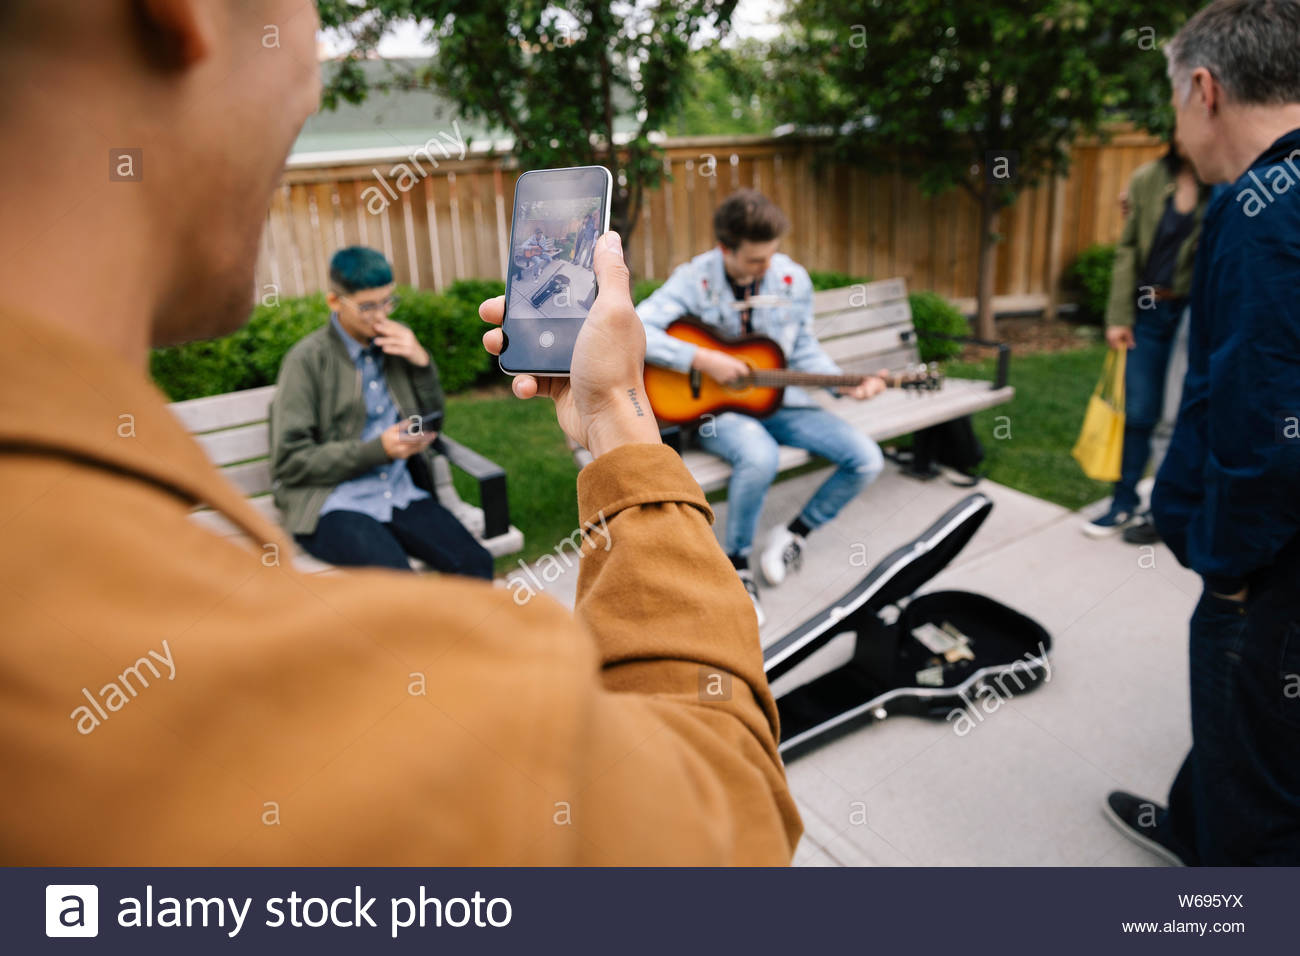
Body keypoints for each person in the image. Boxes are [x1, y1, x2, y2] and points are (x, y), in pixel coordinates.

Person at [0, 0, 800, 864]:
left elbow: (433, 420)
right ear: (187, 13)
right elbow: (727, 826)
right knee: (403, 581)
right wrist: (621, 425)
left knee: (462, 563)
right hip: (342, 497)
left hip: (400, 488)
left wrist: (419, 371)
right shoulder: (308, 371)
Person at [1104, 0, 1300, 865]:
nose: (1179, 133)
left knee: (1259, 803)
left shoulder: (1263, 213)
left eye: (1176, 105)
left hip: (1271, 574)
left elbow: (1264, 432)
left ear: (1206, 89)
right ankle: (1190, 822)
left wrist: (1226, 573)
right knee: (1250, 740)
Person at [637, 190, 888, 626]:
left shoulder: (792, 280)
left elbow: (802, 347)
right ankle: (736, 563)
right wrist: (703, 359)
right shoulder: (693, 278)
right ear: (725, 249)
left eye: (771, 255)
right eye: (755, 260)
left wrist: (842, 385)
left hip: (781, 400)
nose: (766, 267)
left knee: (866, 459)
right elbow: (636, 326)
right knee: (759, 455)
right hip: (717, 412)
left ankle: (793, 534)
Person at [269, 246, 494, 580]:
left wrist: (421, 364)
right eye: (367, 306)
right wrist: (378, 450)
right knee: (398, 588)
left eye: (388, 301)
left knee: (475, 563)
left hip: (399, 492)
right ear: (335, 302)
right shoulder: (306, 361)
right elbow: (290, 461)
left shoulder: (394, 346)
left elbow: (431, 424)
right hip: (332, 502)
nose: (381, 315)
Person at [1085, 137, 1208, 539]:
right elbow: (1128, 250)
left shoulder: (1225, 184)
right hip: (1149, 310)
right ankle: (1123, 503)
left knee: (1176, 416)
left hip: (1194, 314)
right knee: (1138, 412)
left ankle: (1165, 511)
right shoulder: (1147, 179)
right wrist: (1119, 315)